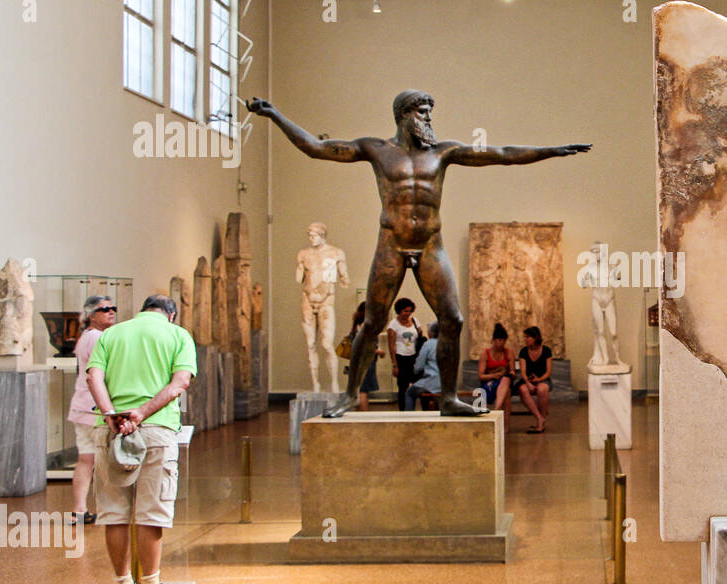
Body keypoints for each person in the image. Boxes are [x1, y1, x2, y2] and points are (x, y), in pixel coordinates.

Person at [248, 90, 590, 417]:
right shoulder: (377, 149)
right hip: (392, 243)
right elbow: (316, 147)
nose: (428, 118)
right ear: (403, 115)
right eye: (422, 112)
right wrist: (275, 114)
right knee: (372, 323)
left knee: (452, 319)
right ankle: (350, 395)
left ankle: (449, 398)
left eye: (430, 112)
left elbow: (501, 154)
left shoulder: (442, 152)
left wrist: (554, 150)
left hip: (430, 244)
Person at [84, 294, 195, 584]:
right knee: (150, 512)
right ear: (171, 315)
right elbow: (179, 383)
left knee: (114, 512)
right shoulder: (178, 335)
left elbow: (94, 377)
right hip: (156, 430)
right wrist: (142, 413)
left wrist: (110, 414)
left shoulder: (113, 334)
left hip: (111, 430)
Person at [66, 295, 118, 524]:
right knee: (100, 459)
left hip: (83, 405)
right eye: (104, 309)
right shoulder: (97, 337)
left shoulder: (87, 336)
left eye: (112, 308)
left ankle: (79, 509)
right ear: (90, 315)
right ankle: (108, 508)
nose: (110, 311)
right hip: (93, 406)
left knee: (86, 459)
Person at [296, 222, 350, 392]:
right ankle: (316, 384)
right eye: (310, 236)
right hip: (308, 298)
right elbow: (299, 279)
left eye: (314, 235)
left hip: (326, 300)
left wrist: (342, 277)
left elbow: (344, 279)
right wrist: (301, 269)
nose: (311, 239)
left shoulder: (335, 253)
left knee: (327, 344)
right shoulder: (303, 254)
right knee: (310, 344)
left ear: (322, 235)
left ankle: (334, 383)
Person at [386, 297, 423, 410]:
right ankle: (402, 410)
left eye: (410, 311)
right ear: (399, 311)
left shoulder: (415, 321)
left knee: (419, 384)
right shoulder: (393, 325)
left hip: (414, 357)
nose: (408, 313)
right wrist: (395, 365)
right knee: (402, 387)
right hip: (401, 357)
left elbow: (420, 335)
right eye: (405, 311)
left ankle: (420, 409)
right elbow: (391, 346)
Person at [347, 302, 384, 410]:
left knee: (360, 388)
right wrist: (378, 351)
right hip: (367, 361)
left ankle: (359, 411)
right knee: (363, 390)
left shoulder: (357, 325)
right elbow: (365, 346)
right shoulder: (366, 326)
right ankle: (364, 413)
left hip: (359, 360)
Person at [516, 325, 552, 433]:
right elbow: (523, 371)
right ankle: (539, 417)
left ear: (535, 338)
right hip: (528, 379)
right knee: (523, 390)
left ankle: (540, 422)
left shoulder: (546, 350)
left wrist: (539, 379)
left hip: (542, 379)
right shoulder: (523, 351)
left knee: (542, 389)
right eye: (525, 337)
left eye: (528, 337)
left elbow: (548, 371)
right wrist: (528, 382)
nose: (525, 340)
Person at [477, 323, 513, 425]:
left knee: (506, 381)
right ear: (494, 340)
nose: (501, 343)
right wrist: (494, 375)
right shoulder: (485, 354)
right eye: (499, 340)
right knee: (507, 392)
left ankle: (497, 411)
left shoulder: (508, 352)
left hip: (505, 380)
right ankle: (501, 419)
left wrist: (510, 372)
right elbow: (481, 375)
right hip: (490, 381)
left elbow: (512, 371)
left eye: (503, 341)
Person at [406, 321, 441, 410]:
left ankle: (408, 417)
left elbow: (418, 366)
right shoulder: (448, 343)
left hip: (432, 380)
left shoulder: (428, 344)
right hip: (447, 383)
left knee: (409, 393)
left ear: (430, 333)